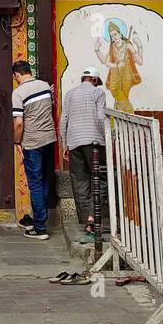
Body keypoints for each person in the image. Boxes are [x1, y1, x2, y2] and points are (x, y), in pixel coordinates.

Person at [62, 67, 108, 243]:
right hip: (94, 142)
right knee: (100, 178)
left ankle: (86, 222)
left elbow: (63, 119)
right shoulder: (98, 93)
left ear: (83, 78)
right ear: (95, 80)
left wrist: (66, 143)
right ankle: (92, 218)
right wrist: (107, 139)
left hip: (74, 142)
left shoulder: (70, 94)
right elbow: (100, 117)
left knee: (79, 181)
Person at [11, 60, 56, 240]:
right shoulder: (45, 86)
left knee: (35, 183)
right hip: (49, 138)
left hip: (32, 142)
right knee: (45, 180)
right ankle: (39, 217)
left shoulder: (19, 92)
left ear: (16, 75)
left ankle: (40, 227)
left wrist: (17, 142)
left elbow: (19, 122)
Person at [94, 20, 142, 111]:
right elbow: (105, 61)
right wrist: (97, 50)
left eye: (115, 34)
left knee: (121, 96)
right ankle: (130, 113)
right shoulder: (112, 47)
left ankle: (119, 119)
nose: (114, 37)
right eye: (111, 36)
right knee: (114, 90)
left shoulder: (128, 45)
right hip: (115, 73)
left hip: (127, 72)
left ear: (120, 34)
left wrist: (134, 49)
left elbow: (140, 61)